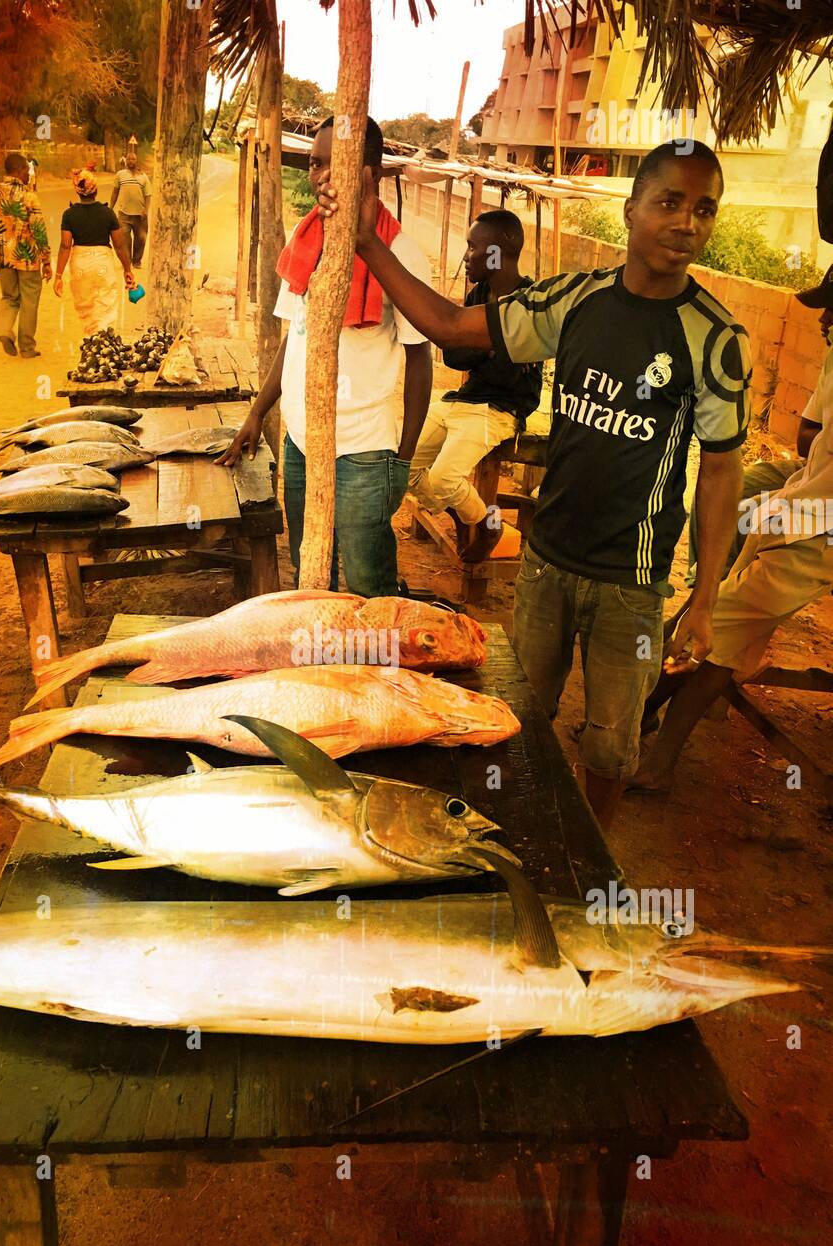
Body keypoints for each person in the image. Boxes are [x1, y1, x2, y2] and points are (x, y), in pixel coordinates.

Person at [317, 139, 752, 825]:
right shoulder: (575, 300)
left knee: (609, 747)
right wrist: (368, 245)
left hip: (630, 583)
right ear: (632, 209)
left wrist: (701, 600)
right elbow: (450, 325)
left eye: (704, 210)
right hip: (546, 563)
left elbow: (722, 469)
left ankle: (595, 857)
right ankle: (520, 836)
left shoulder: (714, 338)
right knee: (522, 715)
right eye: (669, 202)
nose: (686, 223)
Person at [630, 281, 833, 793]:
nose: (824, 320)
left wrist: (782, 509)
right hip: (802, 512)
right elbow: (813, 451)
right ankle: (644, 734)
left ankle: (641, 739)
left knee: (711, 623)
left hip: (819, 528)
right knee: (728, 628)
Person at [219, 116, 433, 598]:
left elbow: (421, 362)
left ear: (366, 173)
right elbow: (294, 337)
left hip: (363, 452)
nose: (317, 176)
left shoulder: (399, 251)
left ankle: (372, 671)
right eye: (314, 164)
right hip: (301, 444)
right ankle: (323, 669)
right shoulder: (306, 239)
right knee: (311, 575)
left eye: (329, 165)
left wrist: (402, 460)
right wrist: (258, 411)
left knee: (367, 586)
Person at [408, 209, 544, 562]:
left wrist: (474, 346)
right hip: (462, 399)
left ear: (502, 248)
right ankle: (466, 510)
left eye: (473, 247)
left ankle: (489, 522)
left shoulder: (530, 300)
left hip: (499, 410)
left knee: (440, 482)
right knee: (400, 467)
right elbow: (451, 355)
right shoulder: (479, 292)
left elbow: (504, 374)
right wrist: (493, 346)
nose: (466, 256)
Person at [0, 151, 52, 358]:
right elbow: (39, 231)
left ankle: (4, 331)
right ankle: (27, 347)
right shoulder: (29, 197)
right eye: (27, 170)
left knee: (9, 297)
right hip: (27, 258)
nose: (29, 174)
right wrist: (46, 260)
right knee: (29, 300)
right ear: (19, 171)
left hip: (2, 256)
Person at [55, 168, 135, 335]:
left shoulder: (69, 215)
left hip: (79, 265)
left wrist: (58, 275)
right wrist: (127, 269)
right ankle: (103, 339)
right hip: (103, 264)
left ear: (77, 192)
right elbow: (119, 245)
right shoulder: (108, 214)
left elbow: (65, 246)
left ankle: (91, 339)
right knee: (105, 305)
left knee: (86, 307)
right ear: (96, 190)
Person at [110, 152, 152, 270]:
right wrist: (110, 208)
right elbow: (115, 192)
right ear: (126, 161)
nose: (131, 161)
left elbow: (148, 195)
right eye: (129, 159)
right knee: (124, 238)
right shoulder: (120, 175)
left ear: (136, 161)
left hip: (140, 215)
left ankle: (137, 261)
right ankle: (127, 261)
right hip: (124, 214)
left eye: (133, 159)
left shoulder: (143, 177)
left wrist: (146, 210)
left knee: (141, 239)